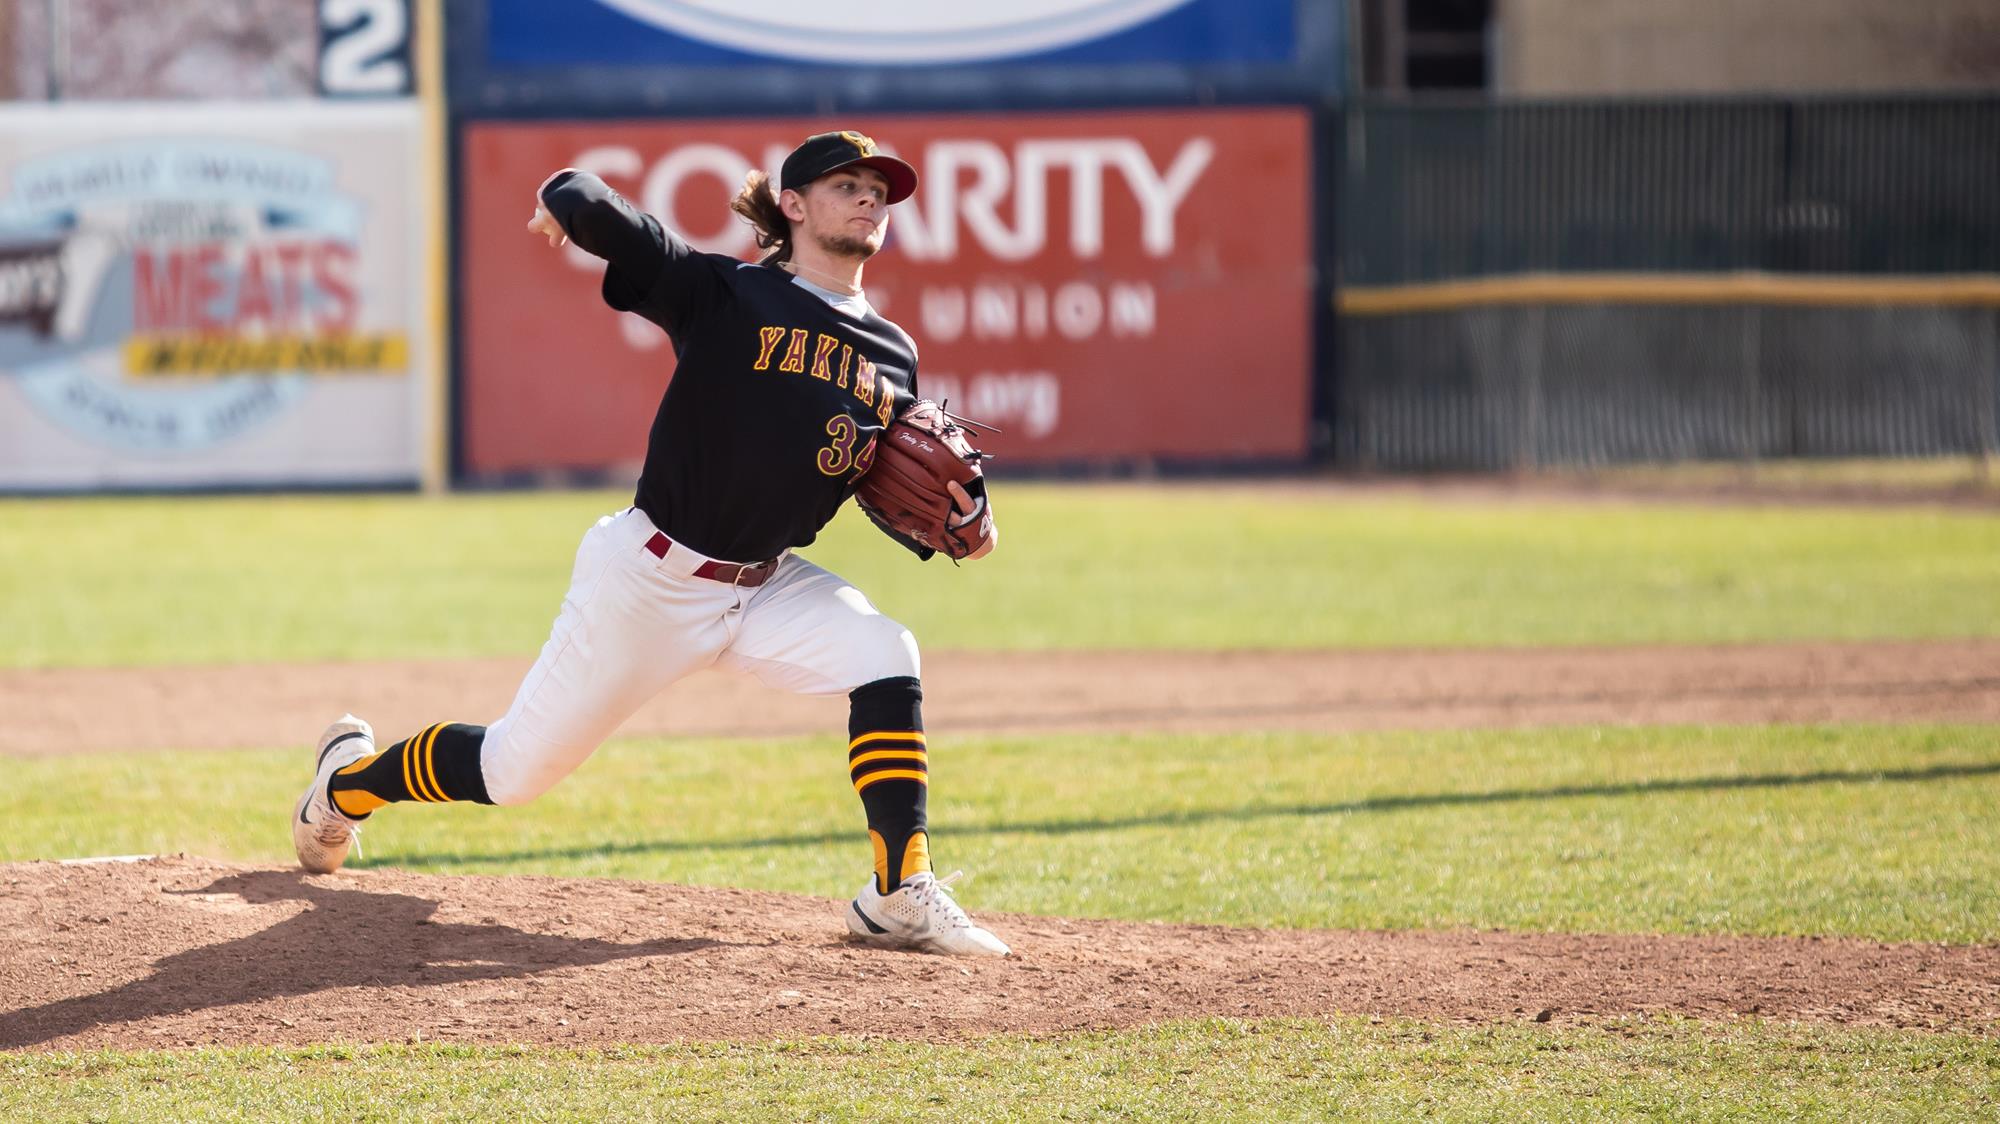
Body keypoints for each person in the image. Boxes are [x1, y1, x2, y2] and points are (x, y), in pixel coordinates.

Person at [292, 130, 1008, 957]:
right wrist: (566, 204)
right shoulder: (727, 294)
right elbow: (588, 198)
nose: (870, 198)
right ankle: (345, 786)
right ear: (793, 205)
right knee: (511, 773)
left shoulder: (894, 353)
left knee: (886, 651)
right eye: (847, 185)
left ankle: (898, 893)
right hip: (653, 581)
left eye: (878, 189)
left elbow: (870, 483)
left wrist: (959, 522)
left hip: (768, 587)